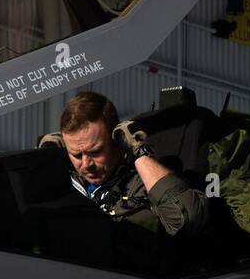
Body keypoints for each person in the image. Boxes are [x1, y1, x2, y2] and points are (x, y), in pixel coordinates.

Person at [38, 90, 211, 239]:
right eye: (76, 154)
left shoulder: (141, 185)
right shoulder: (66, 184)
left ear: (116, 141)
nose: (86, 164)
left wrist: (138, 153)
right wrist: (44, 159)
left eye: (96, 151)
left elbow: (189, 218)